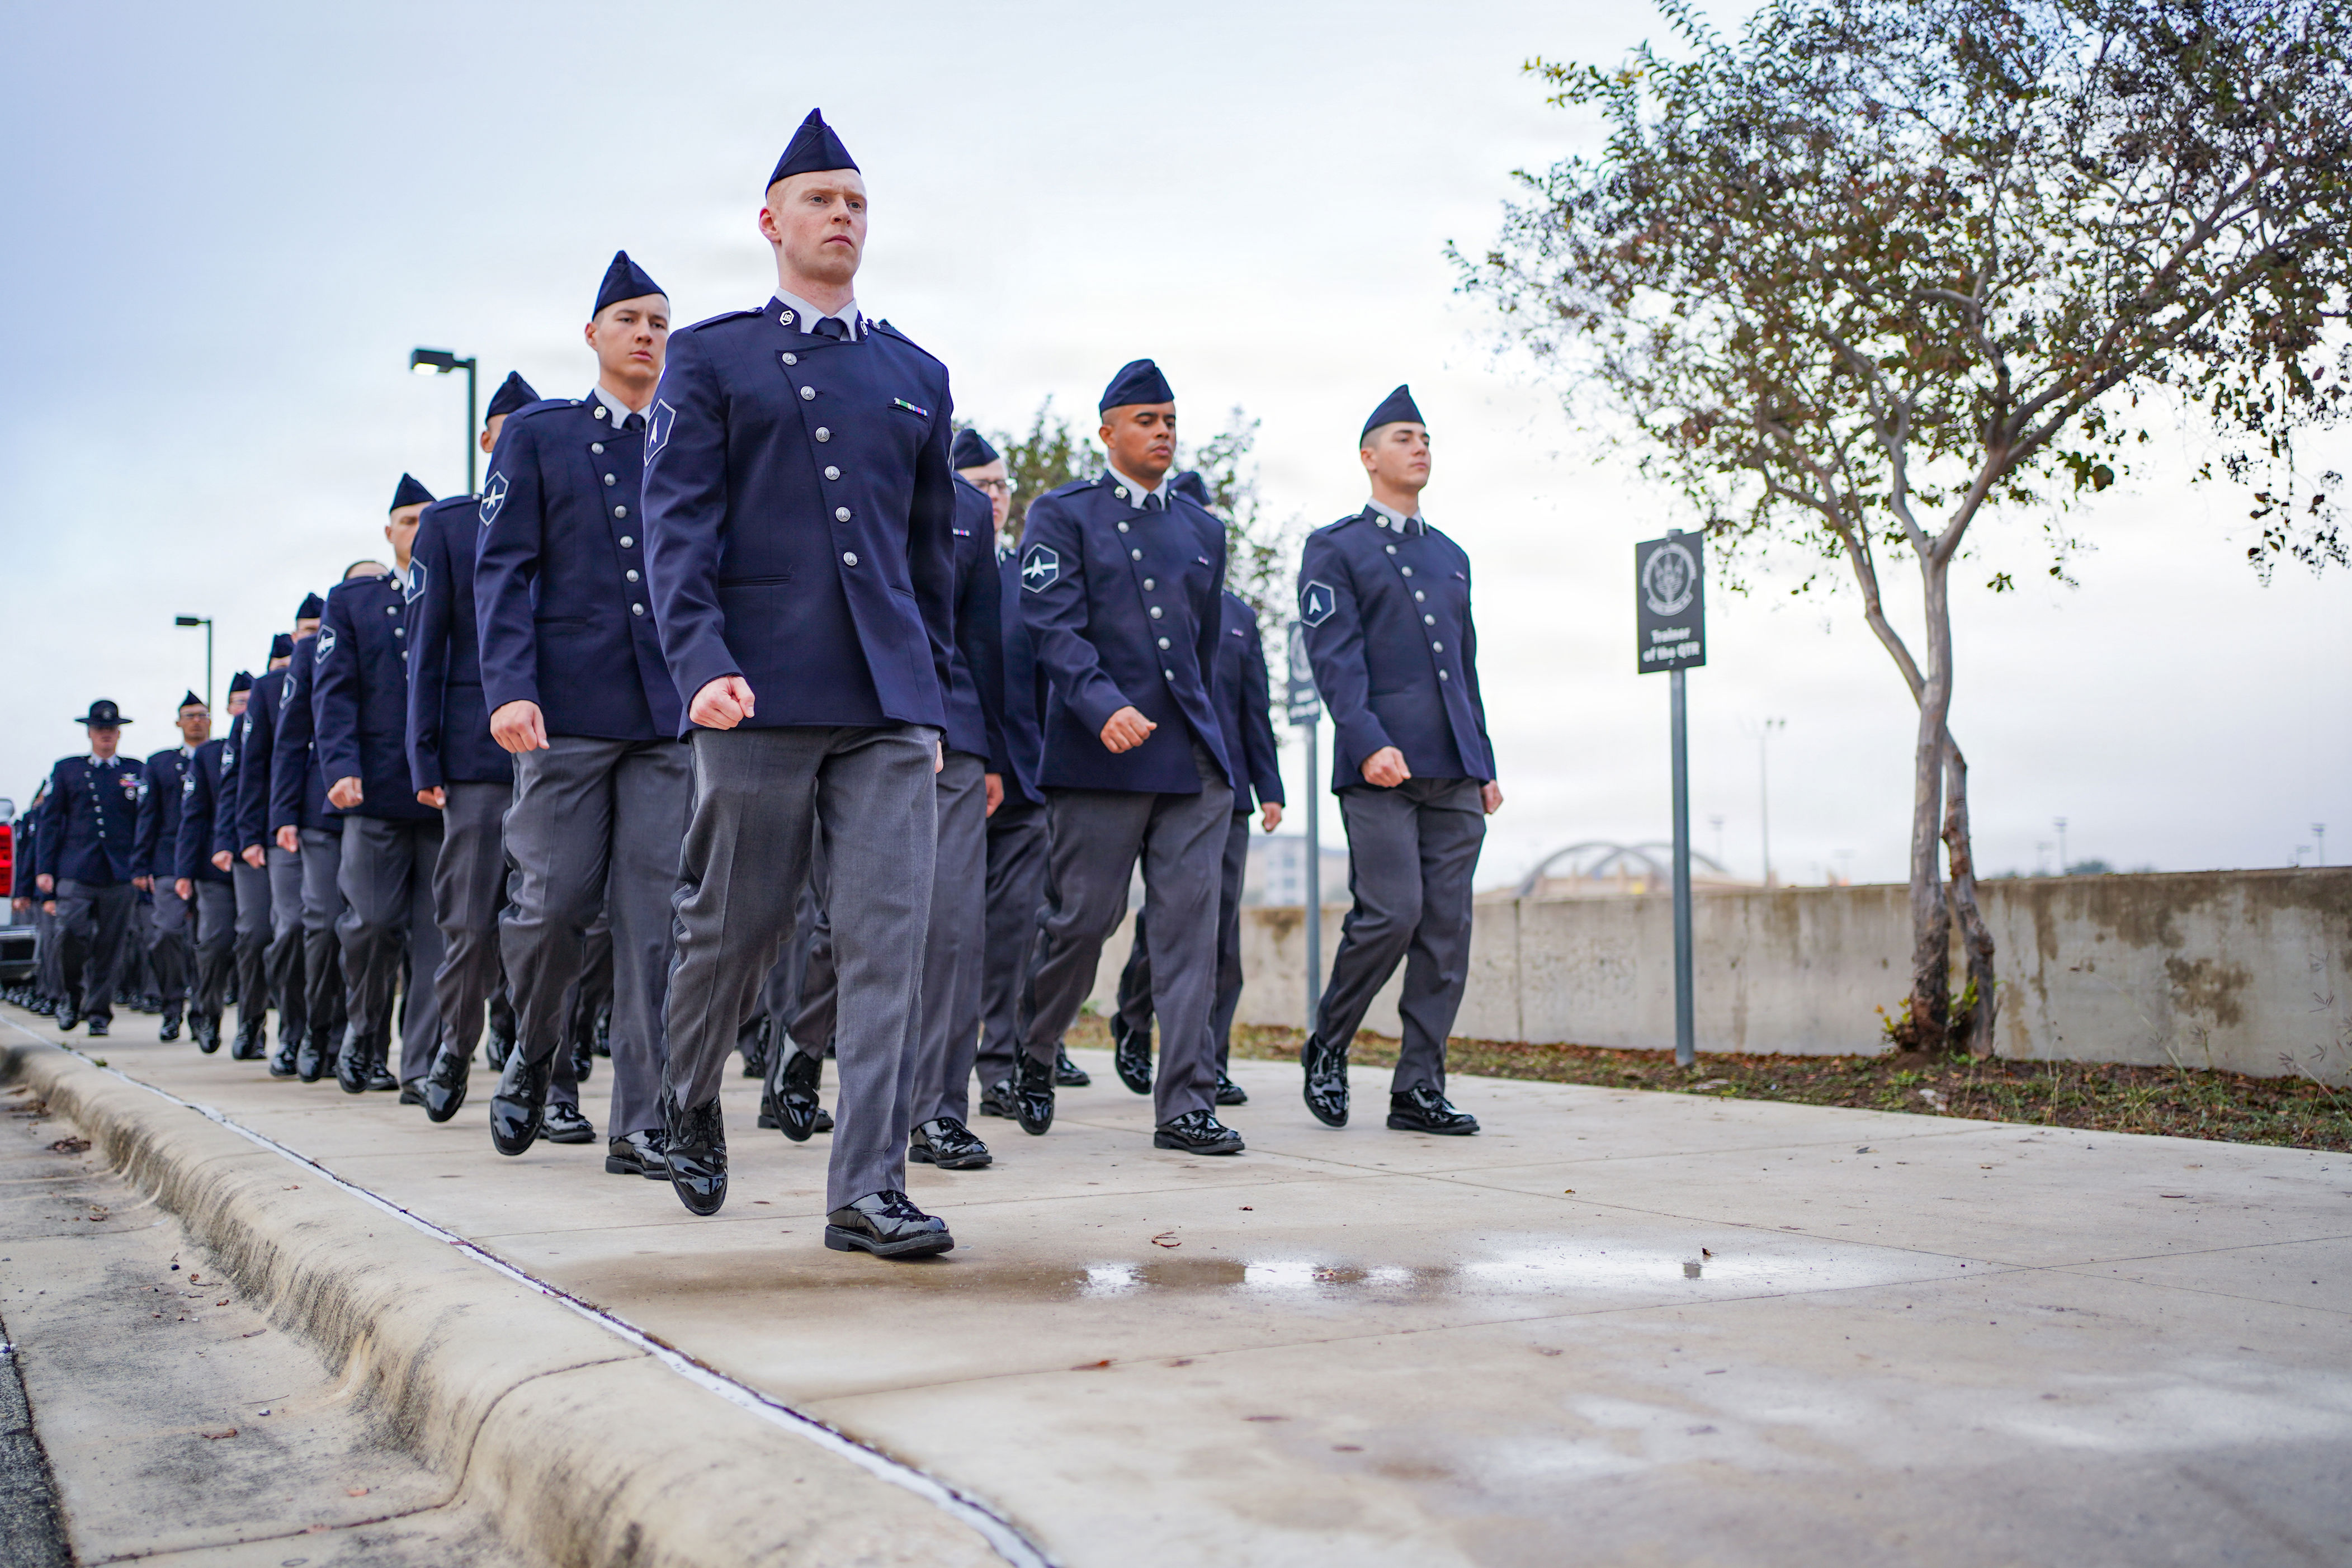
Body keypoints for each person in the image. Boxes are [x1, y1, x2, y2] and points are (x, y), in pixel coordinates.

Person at [643, 108, 958, 1257]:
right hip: (756, 693)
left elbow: (932, 565)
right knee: (734, 929)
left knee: (888, 941)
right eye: (823, 201)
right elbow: (675, 525)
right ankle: (686, 1096)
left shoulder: (914, 374)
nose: (843, 218)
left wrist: (934, 706)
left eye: (858, 203)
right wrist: (700, 663)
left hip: (886, 706)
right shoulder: (713, 356)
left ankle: (866, 1188)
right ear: (771, 221)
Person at [476, 252, 683, 1173]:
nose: (647, 334)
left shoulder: (692, 436)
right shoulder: (540, 436)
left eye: (660, 323)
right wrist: (510, 686)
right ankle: (533, 1049)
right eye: (631, 319)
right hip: (564, 710)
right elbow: (503, 571)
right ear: (594, 333)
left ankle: (639, 1117)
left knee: (656, 922)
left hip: (670, 716)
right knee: (552, 904)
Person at [1010, 360, 1242, 1155]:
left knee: (1188, 935)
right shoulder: (1063, 513)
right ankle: (1032, 1049)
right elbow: (1050, 623)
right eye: (1145, 420)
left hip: (1190, 762)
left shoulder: (1202, 529)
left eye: (1170, 419)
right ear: (1107, 432)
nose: (1162, 432)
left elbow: (1207, 649)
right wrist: (1100, 704)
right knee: (1083, 922)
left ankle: (1185, 1104)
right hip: (1099, 754)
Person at [1294, 386, 1500, 1136]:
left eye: (1425, 438)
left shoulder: (1450, 557)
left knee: (1446, 929)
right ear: (1368, 457)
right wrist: (1365, 739)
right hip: (1378, 767)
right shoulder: (1336, 547)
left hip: (1453, 767)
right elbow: (1334, 659)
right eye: (1404, 437)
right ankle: (1330, 1040)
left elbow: (1464, 668)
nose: (1420, 447)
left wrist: (1484, 762)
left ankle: (1418, 1088)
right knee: (1392, 914)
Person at [1111, 471, 1285, 1106]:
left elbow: (1253, 708)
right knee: (1170, 927)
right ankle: (1133, 1021)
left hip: (1227, 790)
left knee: (1220, 938)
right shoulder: (1142, 602)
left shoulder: (1239, 616)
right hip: (1160, 778)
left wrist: (1268, 785)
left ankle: (1208, 1060)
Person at [410, 371, 540, 1123]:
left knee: (553, 920)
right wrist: (424, 756)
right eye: (508, 430)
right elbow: (428, 650)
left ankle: (532, 1069)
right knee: (468, 920)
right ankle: (453, 1049)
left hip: (558, 747)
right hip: (477, 757)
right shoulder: (453, 524)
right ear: (487, 439)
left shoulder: (570, 510)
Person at [962, 430, 1087, 1116]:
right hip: (953, 782)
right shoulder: (934, 566)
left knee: (1015, 934)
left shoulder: (1028, 576)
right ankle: (933, 1078)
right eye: (980, 484)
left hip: (1026, 787)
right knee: (946, 936)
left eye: (1001, 485)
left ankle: (999, 1069)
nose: (996, 497)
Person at [315, 476, 447, 1097]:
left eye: (429, 519)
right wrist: (340, 767)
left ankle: (419, 1063)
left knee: (437, 932)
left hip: (445, 790)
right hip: (375, 789)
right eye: (408, 520)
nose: (418, 530)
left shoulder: (460, 590)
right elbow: (334, 693)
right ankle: (364, 1034)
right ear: (389, 531)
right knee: (370, 923)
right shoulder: (354, 601)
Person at [273, 586, 362, 1081]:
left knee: (372, 931)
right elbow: (289, 740)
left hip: (381, 805)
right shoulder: (311, 652)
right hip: (321, 812)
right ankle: (307, 1031)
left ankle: (354, 1039)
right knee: (322, 925)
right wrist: (283, 813)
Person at [33, 700, 148, 1036]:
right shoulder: (67, 770)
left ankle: (99, 1011)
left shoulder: (134, 771)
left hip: (120, 871)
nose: (106, 735)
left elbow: (146, 823)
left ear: (119, 733)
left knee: (111, 947)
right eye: (100, 729)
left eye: (111, 730)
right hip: (76, 870)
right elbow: (50, 823)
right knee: (69, 935)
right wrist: (45, 869)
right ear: (90, 732)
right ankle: (71, 995)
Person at [237, 626, 306, 1071]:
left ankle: (331, 1038)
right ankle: (288, 1030)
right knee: (287, 930)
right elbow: (253, 766)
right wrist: (248, 835)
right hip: (282, 831)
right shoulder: (269, 691)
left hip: (345, 822)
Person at [134, 692, 212, 1042]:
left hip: (210, 860)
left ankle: (203, 1011)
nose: (196, 720)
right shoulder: (160, 763)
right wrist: (141, 864)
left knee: (208, 941)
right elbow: (147, 816)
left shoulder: (222, 756)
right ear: (179, 723)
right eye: (189, 715)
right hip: (168, 861)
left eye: (202, 714)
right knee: (166, 933)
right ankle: (171, 1006)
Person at [176, 674, 248, 1055]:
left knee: (256, 943)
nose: (244, 708)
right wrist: (185, 871)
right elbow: (194, 816)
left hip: (259, 861)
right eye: (237, 702)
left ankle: (252, 1026)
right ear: (227, 709)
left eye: (250, 701)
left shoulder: (270, 743)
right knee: (216, 942)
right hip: (215, 867)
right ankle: (206, 1012)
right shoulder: (209, 755)